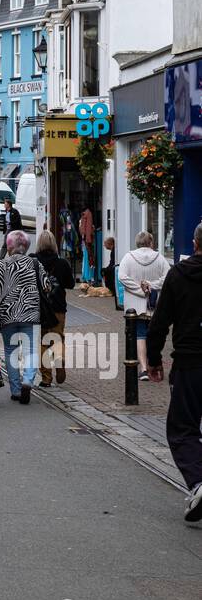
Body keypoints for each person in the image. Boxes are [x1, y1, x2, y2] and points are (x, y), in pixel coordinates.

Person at [146, 222, 202, 523]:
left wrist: (153, 359)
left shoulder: (179, 274)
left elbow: (161, 320)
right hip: (190, 360)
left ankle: (198, 480)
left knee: (182, 428)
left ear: (195, 244)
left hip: (191, 362)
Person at [0, 229, 51, 404]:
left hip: (7, 315)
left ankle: (15, 390)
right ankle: (28, 380)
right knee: (30, 351)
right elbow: (47, 287)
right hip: (30, 314)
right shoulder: (35, 264)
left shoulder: (0, 265)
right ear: (26, 246)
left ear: (9, 245)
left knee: (11, 352)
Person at [118, 232, 171, 382]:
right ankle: (152, 363)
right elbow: (168, 277)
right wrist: (151, 286)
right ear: (151, 243)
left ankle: (143, 369)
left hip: (134, 306)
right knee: (153, 335)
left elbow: (122, 276)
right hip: (154, 305)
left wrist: (139, 289)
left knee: (140, 334)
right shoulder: (159, 258)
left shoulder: (128, 257)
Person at [34, 229, 75, 387]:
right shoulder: (62, 263)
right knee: (57, 338)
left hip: (38, 308)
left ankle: (46, 378)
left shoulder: (32, 261)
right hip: (58, 307)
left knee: (42, 342)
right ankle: (60, 361)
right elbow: (70, 284)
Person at [102, 235, 117, 303]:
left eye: (105, 244)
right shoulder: (113, 251)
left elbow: (112, 263)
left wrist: (106, 269)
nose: (104, 245)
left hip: (114, 268)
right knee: (104, 270)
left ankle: (111, 289)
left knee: (105, 272)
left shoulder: (114, 251)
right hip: (113, 267)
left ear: (109, 243)